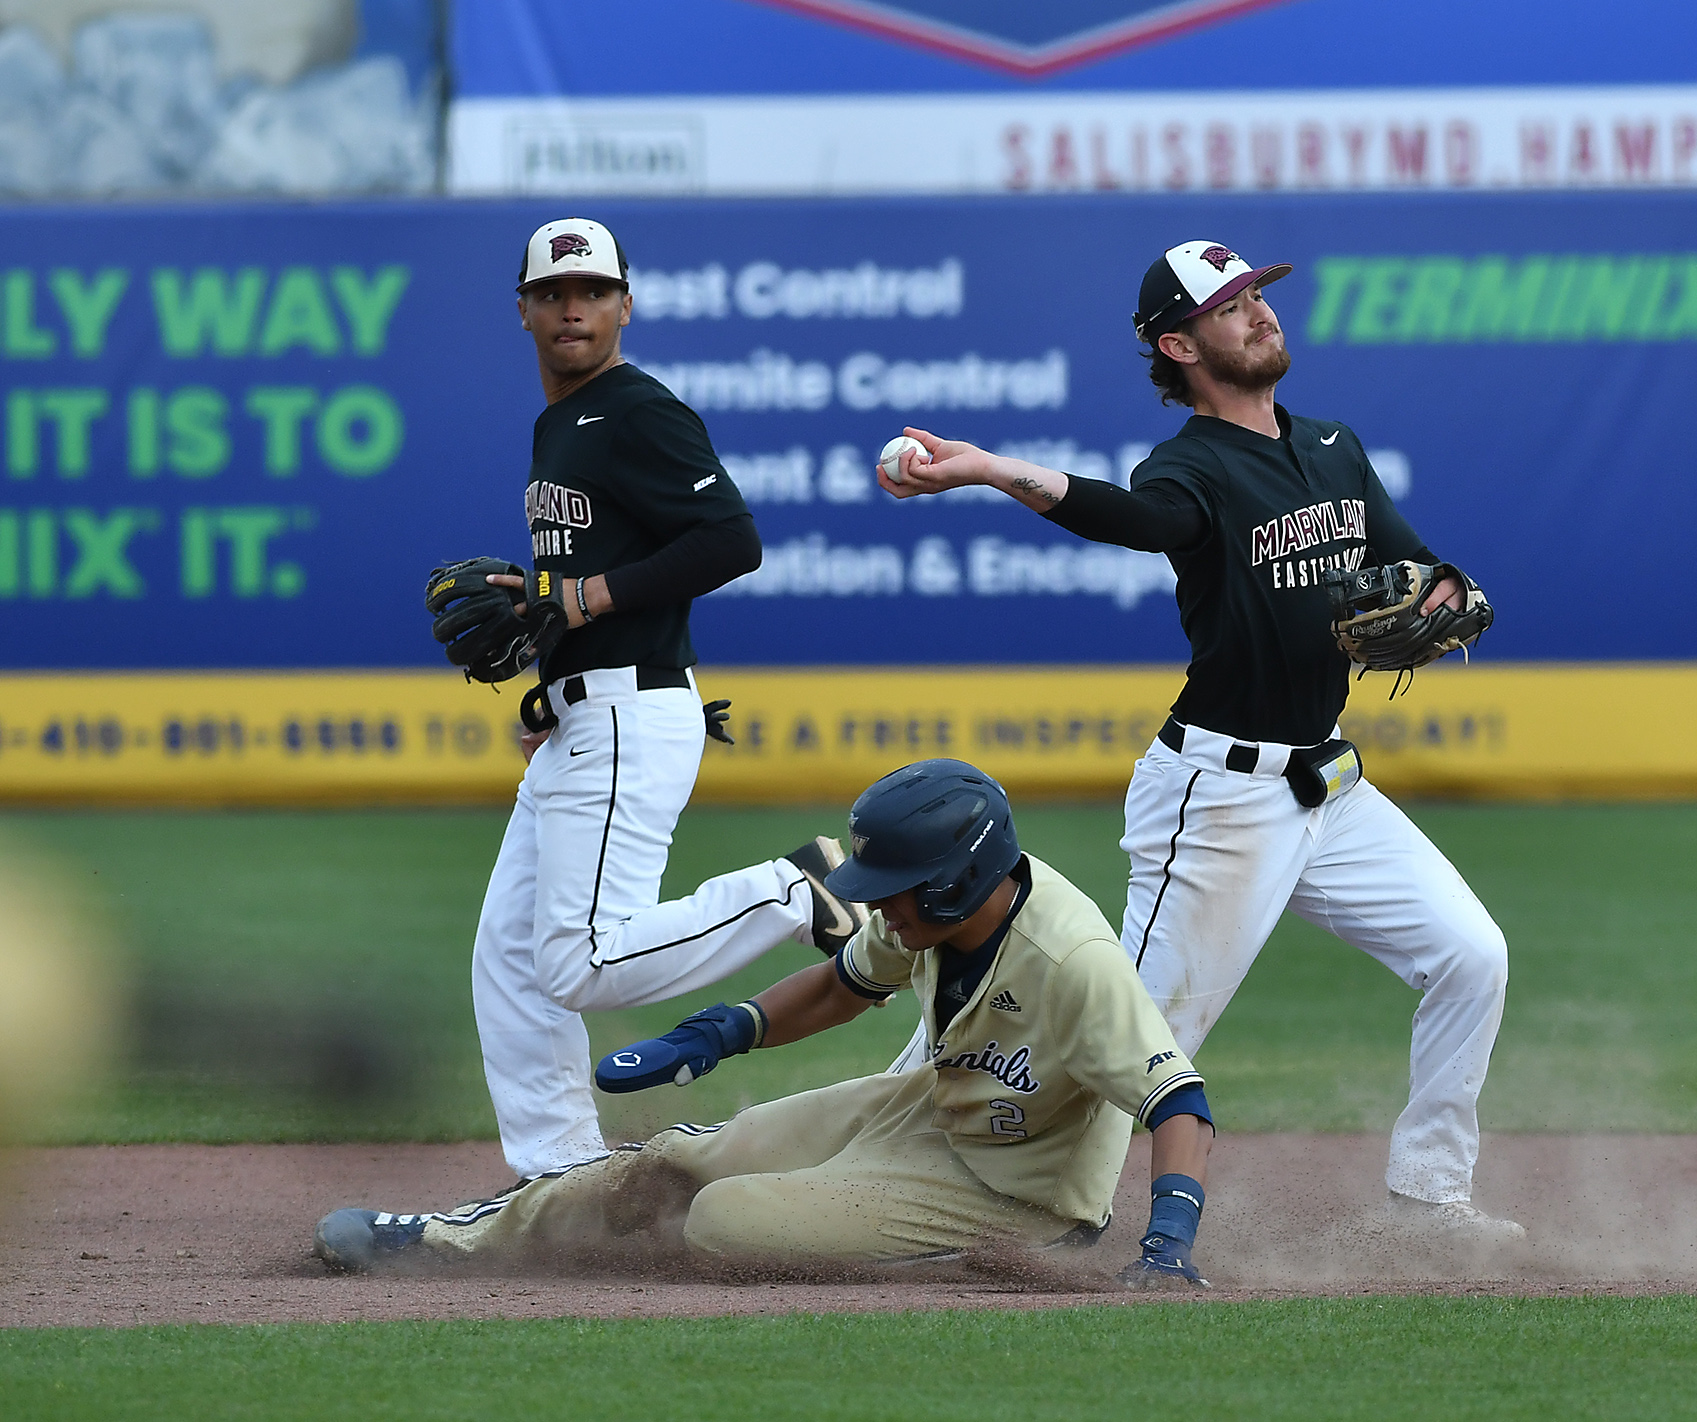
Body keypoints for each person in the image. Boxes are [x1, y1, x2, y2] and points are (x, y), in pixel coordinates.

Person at [875, 241, 1520, 1243]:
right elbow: (1129, 518)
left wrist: (1445, 590)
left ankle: (1427, 1200)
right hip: (1217, 799)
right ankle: (897, 1138)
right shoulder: (1188, 469)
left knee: (1470, 956)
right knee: (1129, 1031)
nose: (1259, 312)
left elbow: (1412, 562)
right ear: (1179, 344)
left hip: (1329, 788)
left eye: (1257, 293)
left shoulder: (1334, 447)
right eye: (1229, 305)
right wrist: (991, 470)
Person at [315, 760, 1218, 1285]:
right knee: (675, 1159)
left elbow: (1177, 1100)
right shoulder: (940, 915)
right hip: (926, 1110)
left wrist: (1168, 1246)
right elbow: (842, 986)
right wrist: (715, 1031)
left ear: (952, 882)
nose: (878, 909)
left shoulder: (1073, 964)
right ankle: (448, 1240)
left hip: (1016, 1197)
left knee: (723, 1218)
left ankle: (973, 1260)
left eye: (891, 893)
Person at [471, 217, 862, 1184]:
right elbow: (595, 580)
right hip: (587, 710)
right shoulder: (560, 423)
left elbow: (730, 538)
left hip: (631, 715)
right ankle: (560, 1177)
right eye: (555, 293)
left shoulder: (635, 409)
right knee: (511, 963)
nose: (575, 307)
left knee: (578, 963)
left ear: (625, 306)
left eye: (595, 291)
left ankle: (790, 892)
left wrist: (583, 599)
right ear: (522, 309)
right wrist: (546, 674)